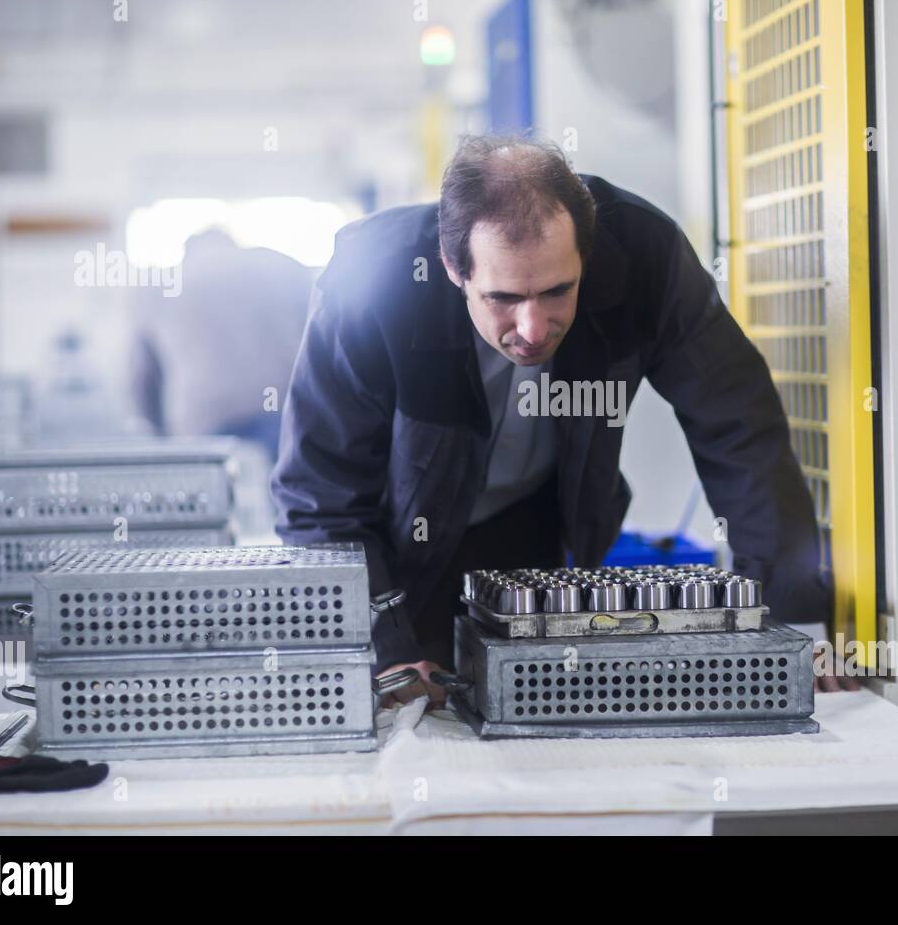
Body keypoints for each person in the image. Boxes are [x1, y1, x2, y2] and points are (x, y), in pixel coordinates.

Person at [271, 135, 827, 706]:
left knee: (538, 708)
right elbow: (320, 495)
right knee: (418, 716)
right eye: (504, 298)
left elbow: (739, 428)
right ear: (451, 268)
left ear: (587, 251)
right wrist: (383, 647)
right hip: (392, 555)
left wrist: (793, 621)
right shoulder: (373, 282)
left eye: (558, 291)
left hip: (535, 532)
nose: (534, 328)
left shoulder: (645, 256)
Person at [129, 228, 313, 463]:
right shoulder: (282, 267)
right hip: (281, 408)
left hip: (204, 419)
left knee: (220, 495)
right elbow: (320, 343)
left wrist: (160, 436)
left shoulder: (164, 285)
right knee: (289, 494)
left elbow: (143, 376)